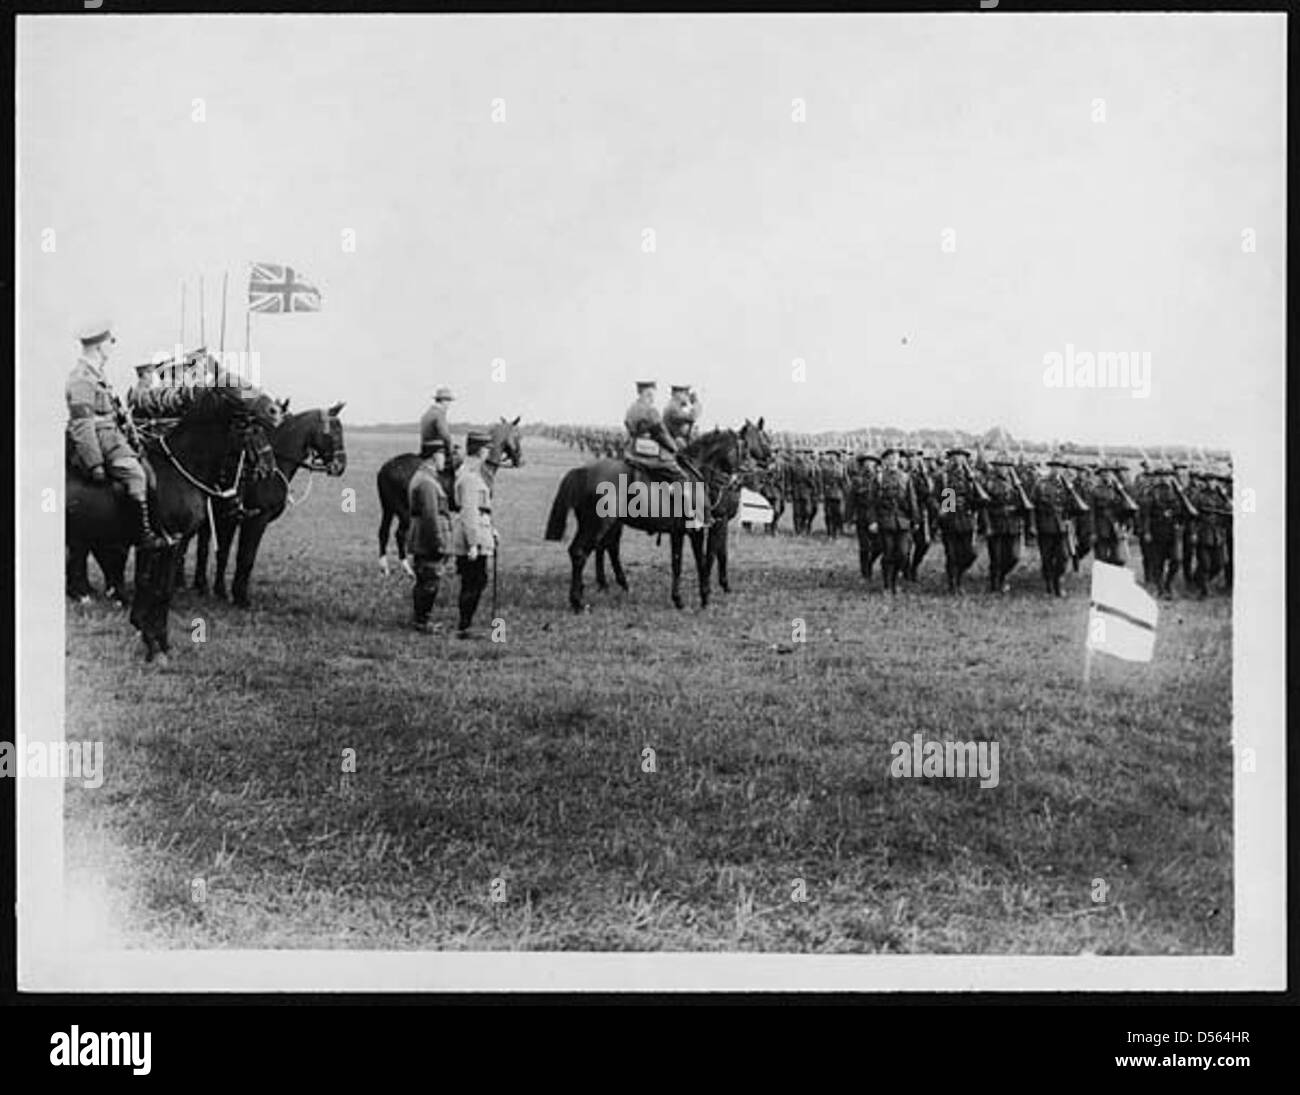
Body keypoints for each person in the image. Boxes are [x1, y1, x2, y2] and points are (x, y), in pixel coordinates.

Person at [66, 321, 168, 548]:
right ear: (100, 346)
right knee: (135, 475)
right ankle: (142, 535)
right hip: (102, 443)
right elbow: (82, 425)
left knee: (148, 470)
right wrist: (94, 463)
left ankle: (154, 527)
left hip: (114, 438)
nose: (112, 347)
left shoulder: (97, 374)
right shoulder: (82, 377)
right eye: (110, 342)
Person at [452, 429, 497, 639]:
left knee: (475, 580)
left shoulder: (470, 473)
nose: (489, 452)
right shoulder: (470, 477)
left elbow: (480, 509)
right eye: (487, 449)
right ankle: (465, 625)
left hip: (479, 531)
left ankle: (465, 623)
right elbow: (470, 510)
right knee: (474, 581)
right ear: (480, 451)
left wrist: (491, 530)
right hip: (473, 536)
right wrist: (472, 543)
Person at [407, 439, 454, 633]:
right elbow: (430, 516)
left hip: (421, 537)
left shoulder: (423, 477)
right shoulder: (426, 482)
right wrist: (439, 543)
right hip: (428, 539)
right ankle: (422, 622)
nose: (445, 459)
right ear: (435, 456)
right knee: (430, 580)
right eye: (442, 455)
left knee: (425, 580)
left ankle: (421, 620)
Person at [419, 387, 456, 457]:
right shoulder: (439, 414)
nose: (449, 405)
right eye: (448, 401)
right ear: (443, 401)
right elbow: (445, 436)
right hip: (436, 450)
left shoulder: (427, 413)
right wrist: (451, 450)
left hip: (425, 448)